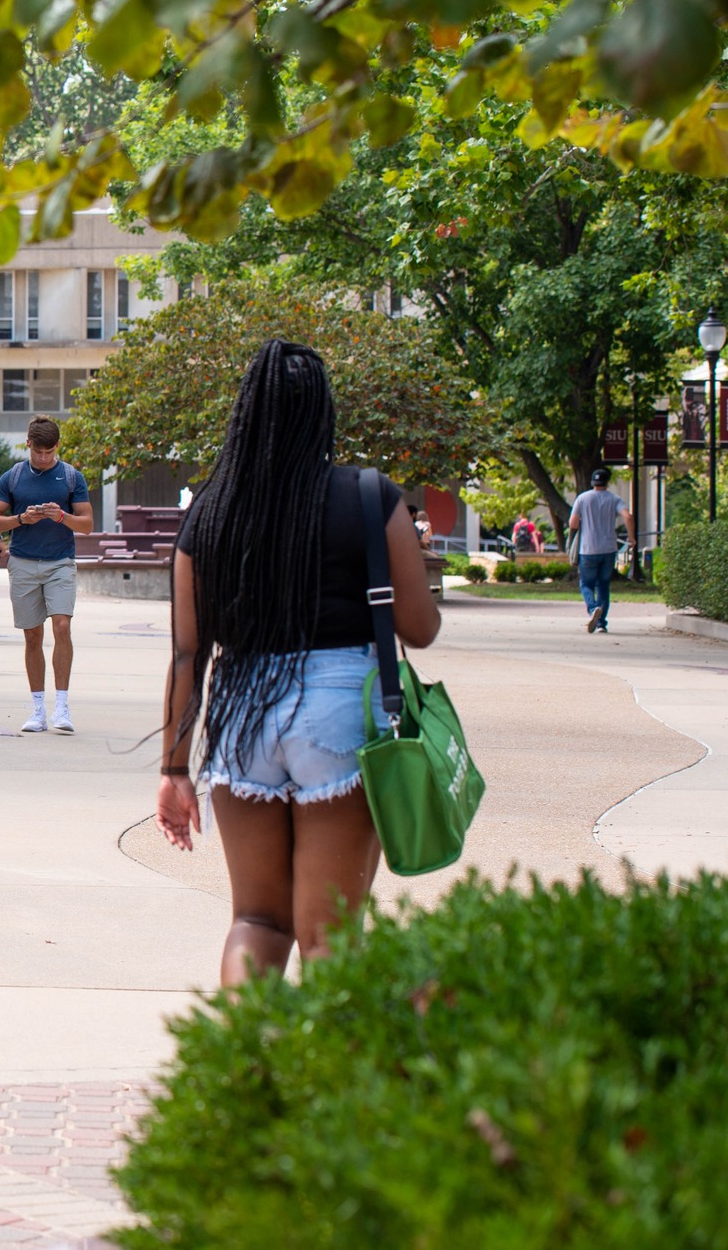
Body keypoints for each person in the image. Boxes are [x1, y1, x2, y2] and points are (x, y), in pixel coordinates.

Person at [152, 340, 440, 987]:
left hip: (242, 713)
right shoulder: (370, 496)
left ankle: (246, 1073)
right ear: (323, 413)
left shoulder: (208, 512)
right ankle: (327, 1082)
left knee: (256, 920)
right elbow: (419, 629)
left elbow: (187, 652)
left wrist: (174, 768)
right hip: (338, 707)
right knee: (330, 934)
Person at [0, 417, 94, 734]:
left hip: (60, 562)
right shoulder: (14, 476)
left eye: (50, 452)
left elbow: (87, 524)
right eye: (39, 452)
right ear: (28, 444)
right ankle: (37, 709)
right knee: (32, 635)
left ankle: (62, 706)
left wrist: (62, 516)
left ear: (57, 447)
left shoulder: (72, 477)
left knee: (62, 626)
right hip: (22, 563)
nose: (44, 458)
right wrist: (21, 518)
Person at [567, 468, 630, 634]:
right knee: (603, 585)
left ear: (592, 482)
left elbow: (573, 523)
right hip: (608, 548)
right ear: (607, 482)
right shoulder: (614, 499)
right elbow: (627, 516)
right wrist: (631, 538)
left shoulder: (582, 498)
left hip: (587, 549)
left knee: (586, 583)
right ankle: (601, 624)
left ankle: (593, 608)